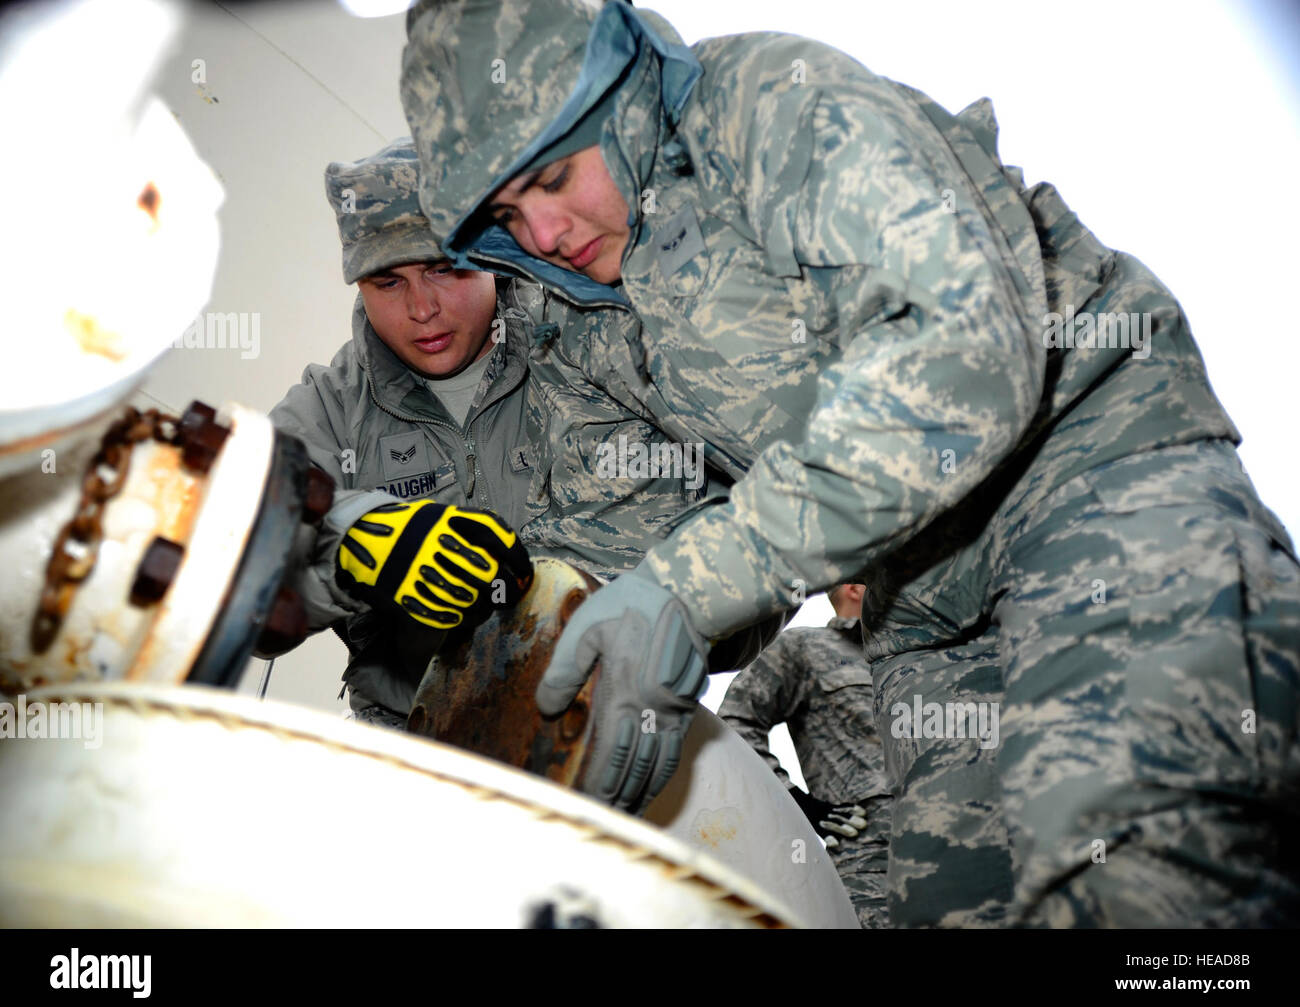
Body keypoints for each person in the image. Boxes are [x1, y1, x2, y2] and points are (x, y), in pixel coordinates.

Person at [400, 0, 1300, 926]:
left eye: (555, 176)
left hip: (1090, 479)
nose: (545, 234)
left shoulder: (767, 108)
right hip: (918, 609)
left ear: (619, 93)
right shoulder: (584, 319)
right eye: (506, 215)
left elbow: (961, 347)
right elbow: (631, 562)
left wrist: (692, 586)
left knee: (1141, 888)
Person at [271, 137, 776, 730]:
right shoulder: (328, 412)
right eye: (388, 283)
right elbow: (233, 592)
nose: (423, 308)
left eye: (445, 267)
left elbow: (788, 498)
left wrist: (667, 618)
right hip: (417, 751)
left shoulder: (601, 335)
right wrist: (349, 543)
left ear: (492, 252)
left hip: (620, 726)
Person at [719, 583, 892, 928]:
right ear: (854, 587)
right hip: (870, 862)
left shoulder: (915, 660)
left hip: (956, 855)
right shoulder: (804, 647)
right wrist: (797, 803)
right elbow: (735, 721)